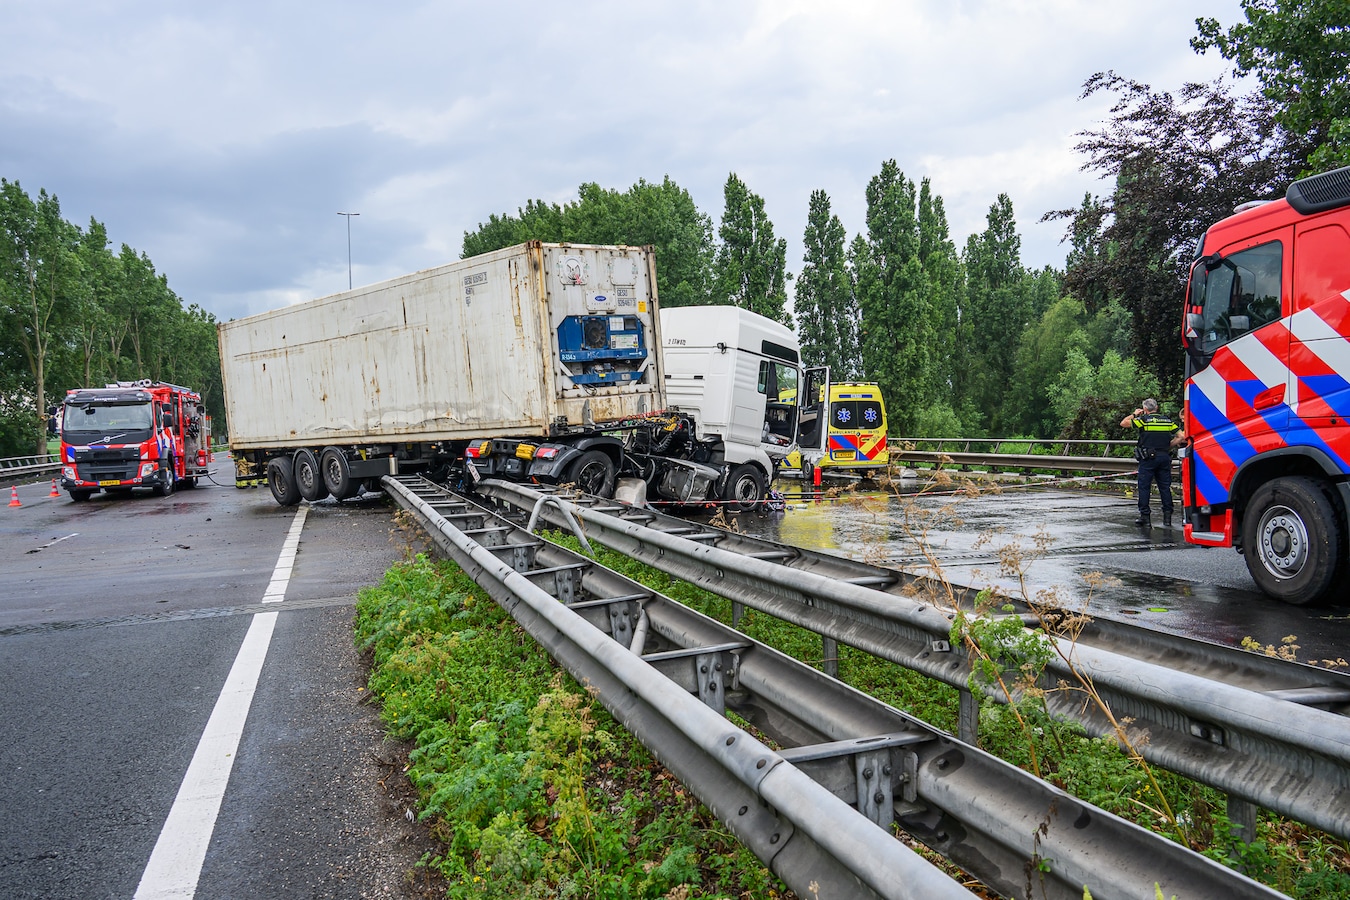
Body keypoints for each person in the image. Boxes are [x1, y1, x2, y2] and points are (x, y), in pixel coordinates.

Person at [1120, 399, 1186, 528]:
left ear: (1145, 409)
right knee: (1165, 488)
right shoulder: (1167, 420)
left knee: (1144, 487)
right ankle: (1167, 518)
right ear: (1157, 407)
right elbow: (1181, 436)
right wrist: (1168, 446)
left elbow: (1123, 423)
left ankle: (1145, 518)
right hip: (1164, 457)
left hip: (1148, 458)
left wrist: (1134, 414)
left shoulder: (1144, 420)